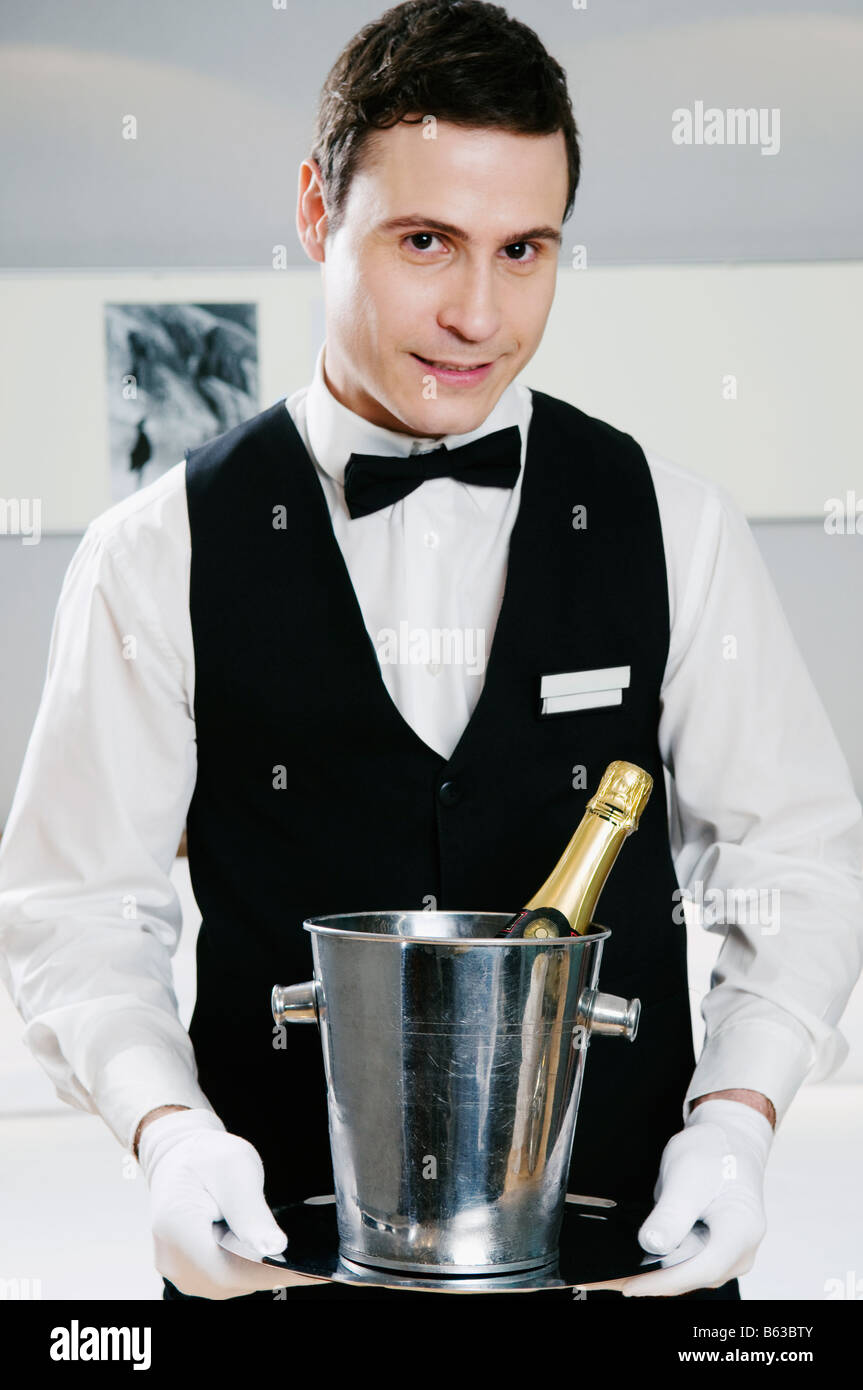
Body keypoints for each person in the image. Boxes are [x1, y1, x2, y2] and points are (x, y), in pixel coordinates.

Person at [1, 0, 861, 1303]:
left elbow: (795, 853)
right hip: (275, 1264)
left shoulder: (675, 525)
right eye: (425, 243)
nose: (477, 311)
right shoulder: (153, 550)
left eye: (525, 249)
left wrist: (738, 1118)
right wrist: (166, 1137)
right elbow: (75, 910)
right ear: (314, 212)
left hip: (625, 1268)